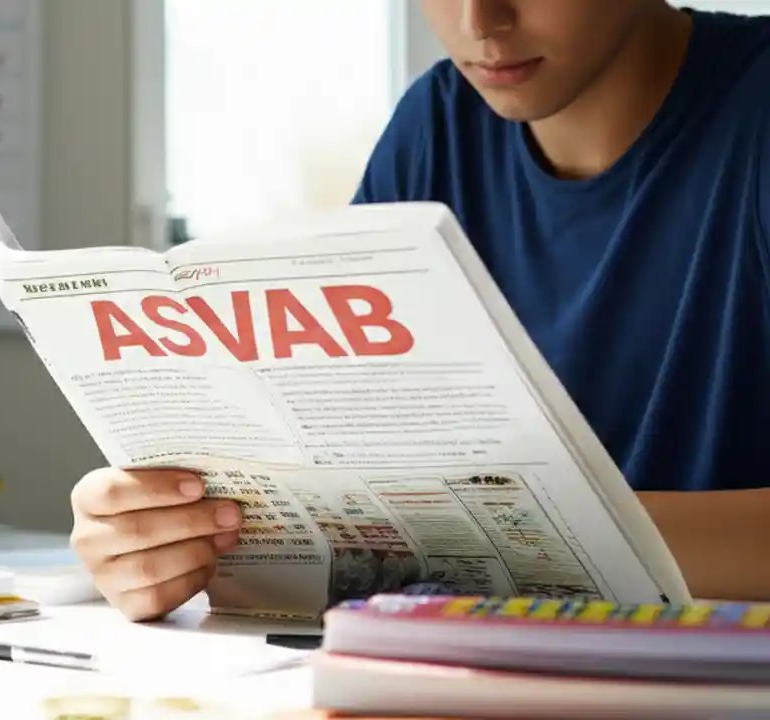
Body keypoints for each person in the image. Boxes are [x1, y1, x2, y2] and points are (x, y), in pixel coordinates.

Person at [69, 0, 770, 622]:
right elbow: (342, 478)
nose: (479, 21)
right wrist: (168, 533)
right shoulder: (438, 125)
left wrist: (512, 538)